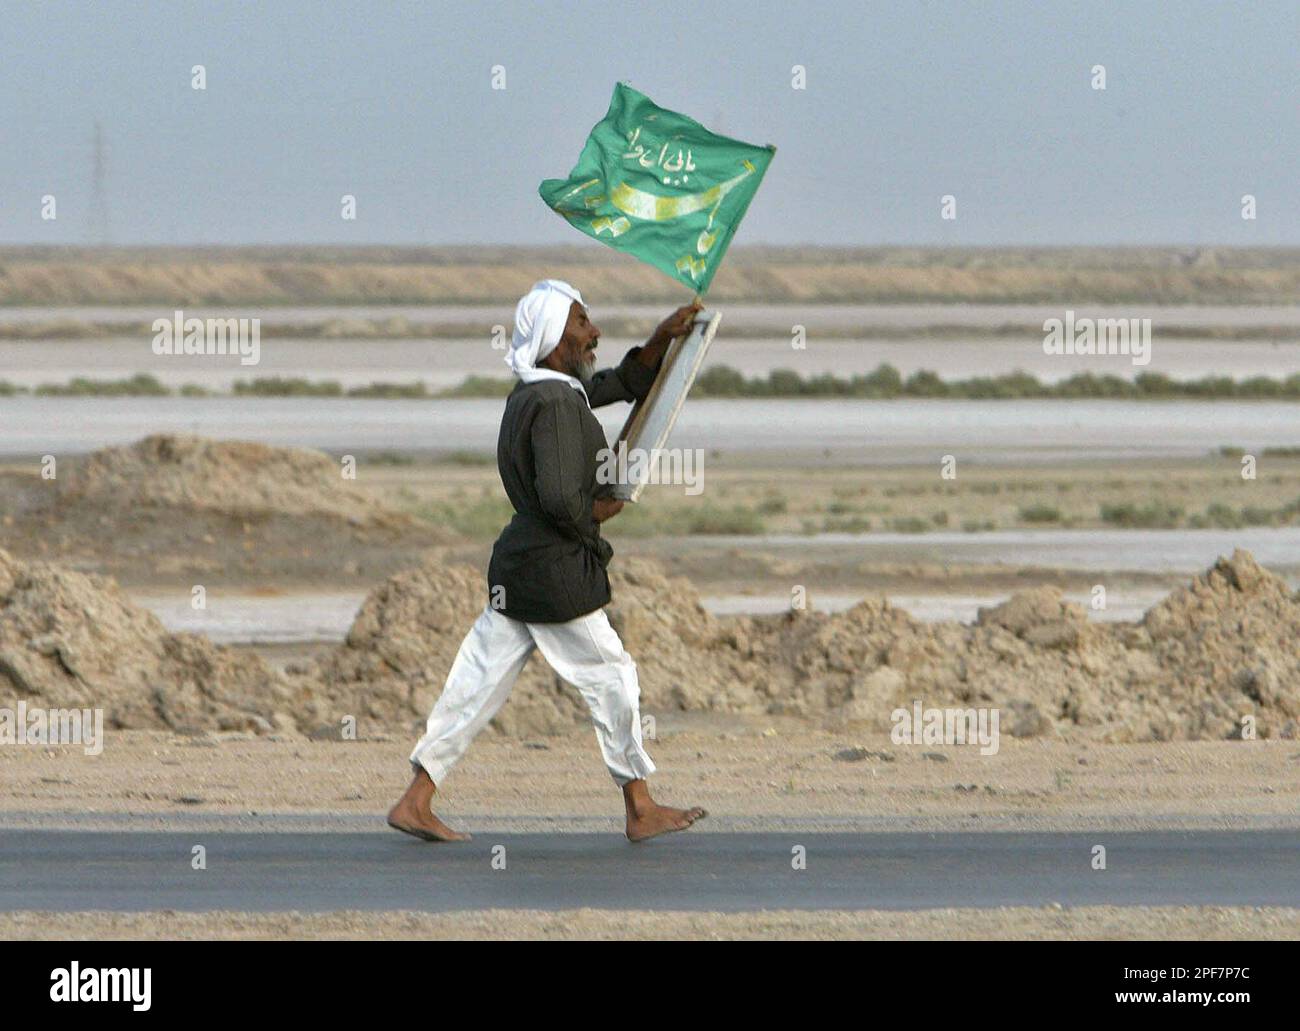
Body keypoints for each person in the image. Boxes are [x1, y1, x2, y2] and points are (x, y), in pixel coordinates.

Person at [387, 279, 708, 843]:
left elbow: (611, 385)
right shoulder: (558, 404)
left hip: (518, 568)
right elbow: (563, 499)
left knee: (476, 683)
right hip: (556, 574)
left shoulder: (539, 389)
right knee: (612, 677)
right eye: (583, 323)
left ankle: (416, 799)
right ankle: (639, 807)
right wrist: (604, 509)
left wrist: (661, 339)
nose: (595, 333)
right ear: (554, 336)